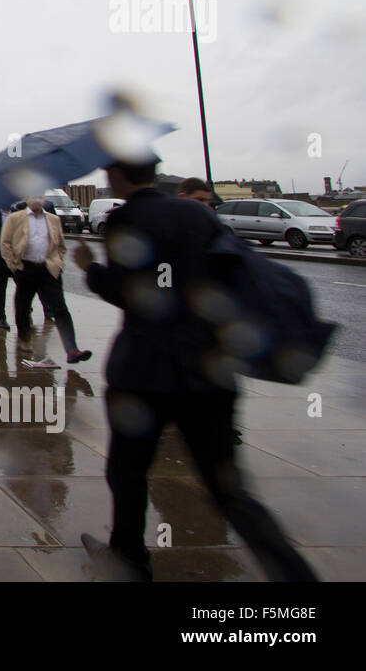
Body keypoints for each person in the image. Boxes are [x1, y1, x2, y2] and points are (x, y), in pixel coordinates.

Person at [72, 158, 317, 582]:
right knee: (230, 490)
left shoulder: (123, 219)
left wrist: (89, 268)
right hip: (209, 369)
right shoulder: (197, 215)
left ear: (116, 175)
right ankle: (292, 572)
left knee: (128, 473)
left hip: (144, 374)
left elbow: (132, 294)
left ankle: (130, 562)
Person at [0, 196, 93, 366]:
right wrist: (15, 266)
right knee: (23, 306)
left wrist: (58, 262)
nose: (37, 200)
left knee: (60, 309)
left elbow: (61, 246)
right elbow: (5, 244)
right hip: (26, 268)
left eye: (40, 197)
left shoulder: (53, 219)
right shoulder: (15, 218)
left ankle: (72, 349)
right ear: (27, 199)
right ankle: (24, 339)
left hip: (48, 270)